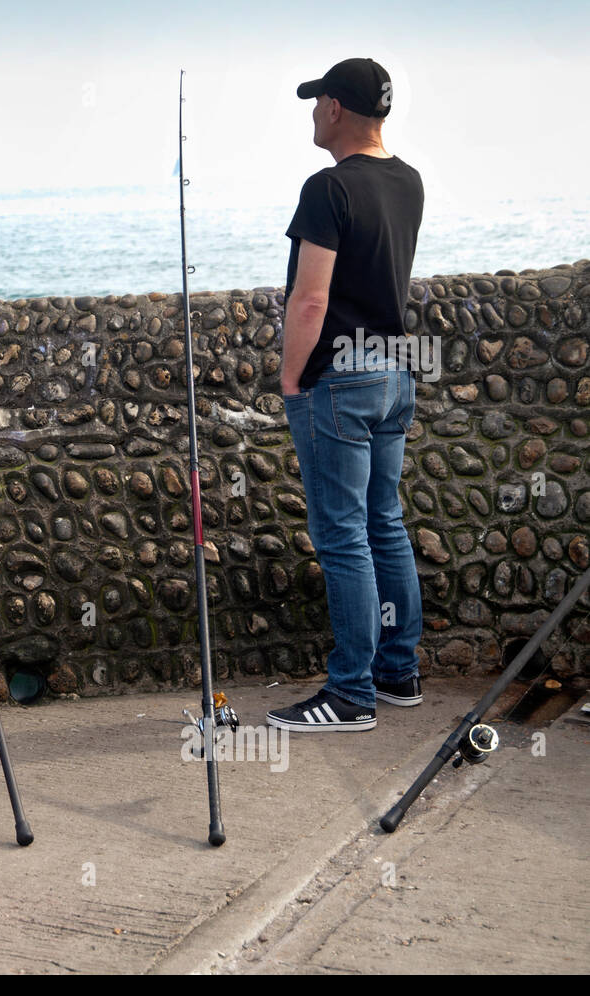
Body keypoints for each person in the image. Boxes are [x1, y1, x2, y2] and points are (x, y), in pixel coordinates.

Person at [266, 58, 425, 733]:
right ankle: (398, 669)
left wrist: (291, 377)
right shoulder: (408, 182)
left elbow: (311, 298)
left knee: (341, 534)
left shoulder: (326, 188)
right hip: (394, 372)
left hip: (343, 381)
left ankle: (351, 692)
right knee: (383, 521)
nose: (310, 113)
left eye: (315, 102)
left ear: (334, 108)